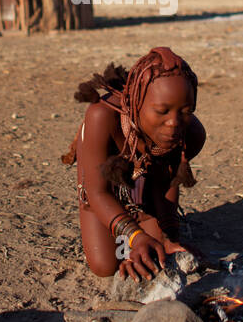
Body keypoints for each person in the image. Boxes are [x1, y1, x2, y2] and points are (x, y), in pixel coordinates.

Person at [62, 47, 206, 281]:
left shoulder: (191, 134)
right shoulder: (102, 117)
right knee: (105, 265)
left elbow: (165, 183)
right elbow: (97, 192)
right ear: (137, 103)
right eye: (162, 111)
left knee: (158, 252)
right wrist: (134, 235)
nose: (174, 123)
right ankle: (126, 215)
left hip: (146, 178)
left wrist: (170, 235)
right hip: (102, 180)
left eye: (186, 111)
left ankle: (137, 210)